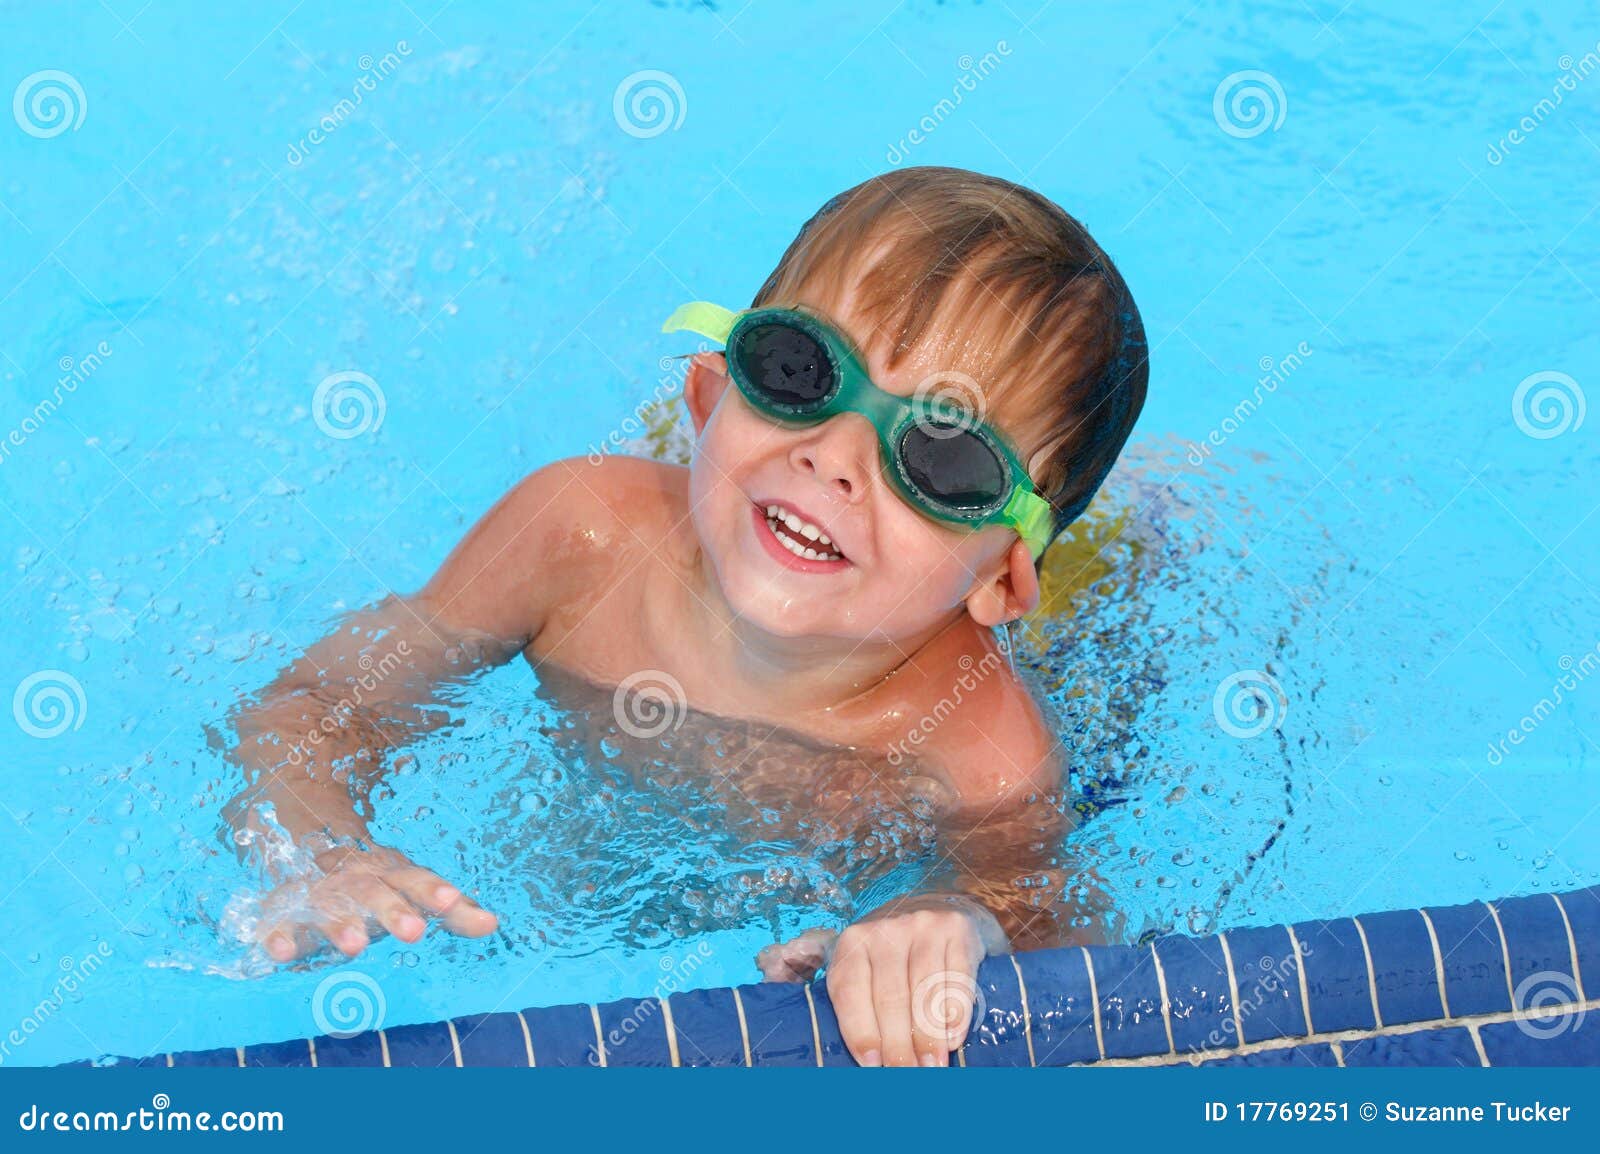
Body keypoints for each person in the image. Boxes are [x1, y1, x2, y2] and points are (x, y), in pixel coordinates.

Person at [224, 165, 1149, 1068]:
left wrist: (940, 922)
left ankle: (1157, 509)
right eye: (798, 370)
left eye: (944, 457)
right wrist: (323, 852)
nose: (832, 455)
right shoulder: (576, 536)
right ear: (709, 397)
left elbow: (1050, 916)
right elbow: (315, 700)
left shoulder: (976, 741)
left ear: (998, 582)